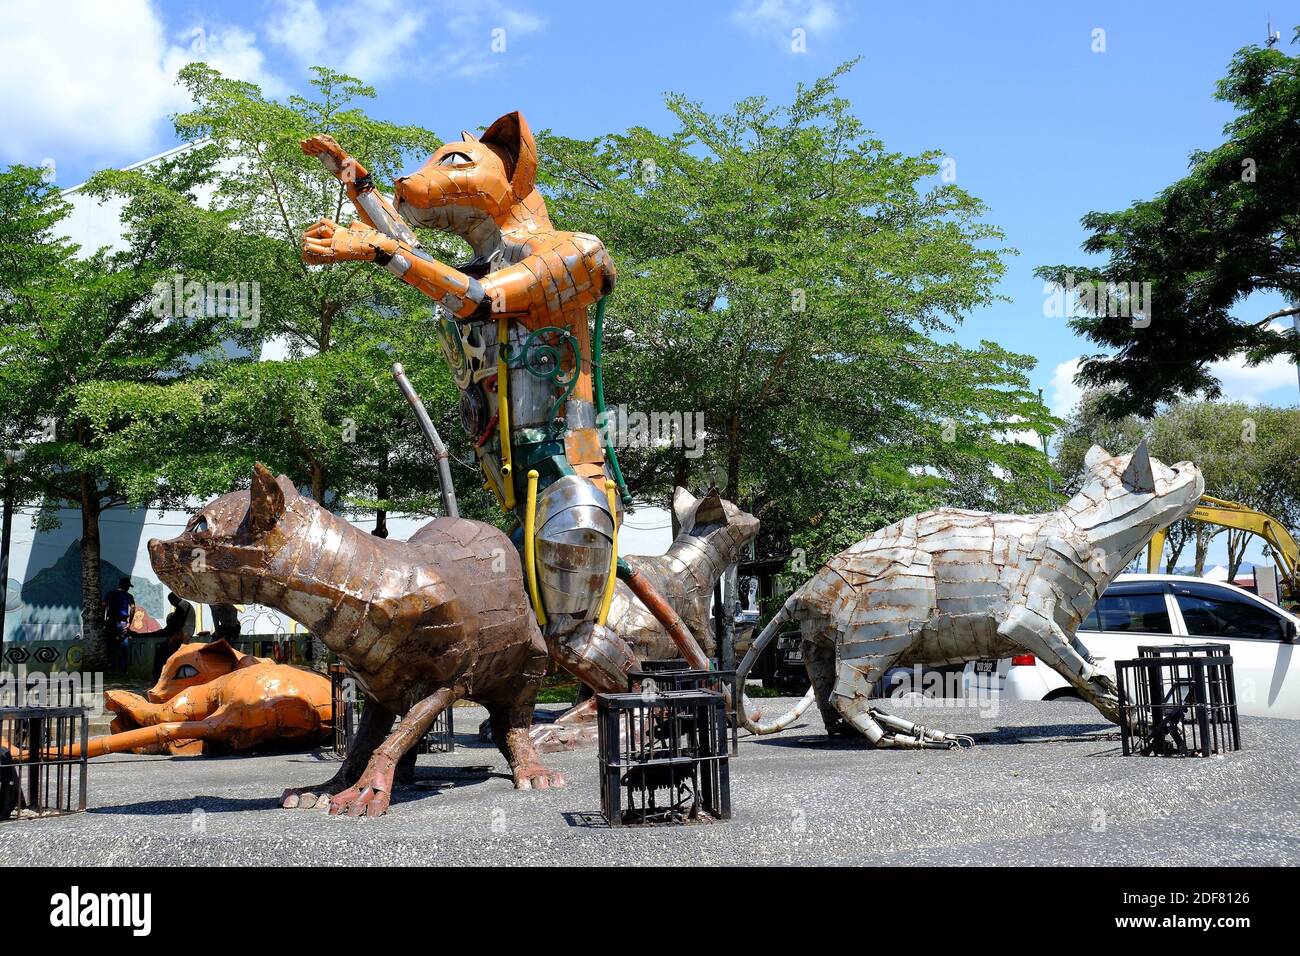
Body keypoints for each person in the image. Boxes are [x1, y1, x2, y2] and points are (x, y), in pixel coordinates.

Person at [152, 593, 197, 680]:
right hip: (187, 634)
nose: (171, 604)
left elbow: (173, 625)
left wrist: (162, 632)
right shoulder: (186, 605)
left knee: (161, 650)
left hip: (182, 636)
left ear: (174, 599)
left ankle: (158, 676)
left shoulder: (181, 607)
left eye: (171, 601)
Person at [102, 577, 135, 673]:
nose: (129, 588)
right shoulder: (128, 596)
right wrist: (130, 623)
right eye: (128, 586)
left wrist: (103, 620)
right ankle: (123, 670)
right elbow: (133, 608)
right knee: (123, 647)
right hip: (123, 623)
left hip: (111, 622)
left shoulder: (110, 594)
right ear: (126, 586)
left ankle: (111, 669)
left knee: (110, 646)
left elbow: (103, 606)